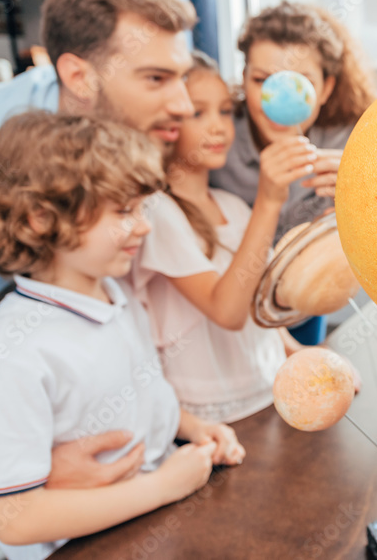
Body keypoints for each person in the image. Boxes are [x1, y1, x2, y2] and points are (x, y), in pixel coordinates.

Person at [0, 0, 197, 559]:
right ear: (78, 75)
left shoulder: (100, 132)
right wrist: (22, 468)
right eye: (156, 78)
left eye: (181, 74)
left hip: (17, 290)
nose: (181, 102)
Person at [0, 112, 244, 560]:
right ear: (41, 219)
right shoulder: (9, 355)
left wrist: (194, 427)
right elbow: (15, 519)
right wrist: (161, 487)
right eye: (124, 211)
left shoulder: (114, 293)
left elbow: (140, 392)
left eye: (142, 208)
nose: (144, 226)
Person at [130, 51, 313, 422]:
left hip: (269, 393)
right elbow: (227, 310)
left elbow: (255, 305)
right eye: (199, 113)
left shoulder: (233, 206)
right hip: (213, 417)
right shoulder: (157, 212)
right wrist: (269, 201)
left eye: (225, 111)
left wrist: (300, 356)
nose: (219, 127)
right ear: (169, 122)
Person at [210, 1, 377, 345]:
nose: (278, 100)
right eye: (261, 80)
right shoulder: (218, 144)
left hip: (307, 300)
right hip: (229, 314)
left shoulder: (354, 140)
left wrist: (366, 191)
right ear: (243, 80)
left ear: (327, 88)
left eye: (300, 83)